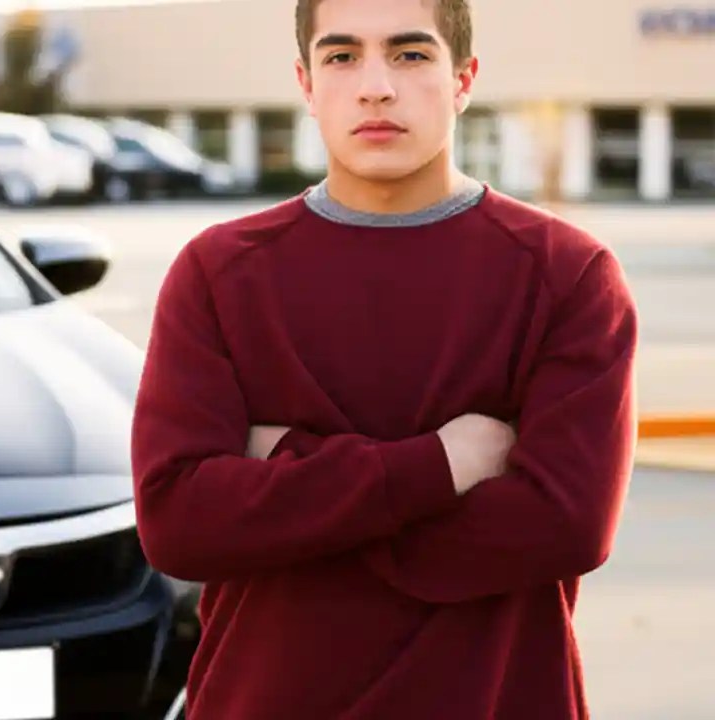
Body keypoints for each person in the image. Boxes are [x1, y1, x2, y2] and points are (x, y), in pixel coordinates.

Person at [129, 0, 638, 718]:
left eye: (410, 54)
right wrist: (439, 465)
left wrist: (289, 468)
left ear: (463, 79)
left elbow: (565, 527)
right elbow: (179, 524)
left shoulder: (567, 274)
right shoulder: (219, 272)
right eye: (342, 57)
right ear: (306, 83)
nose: (376, 86)